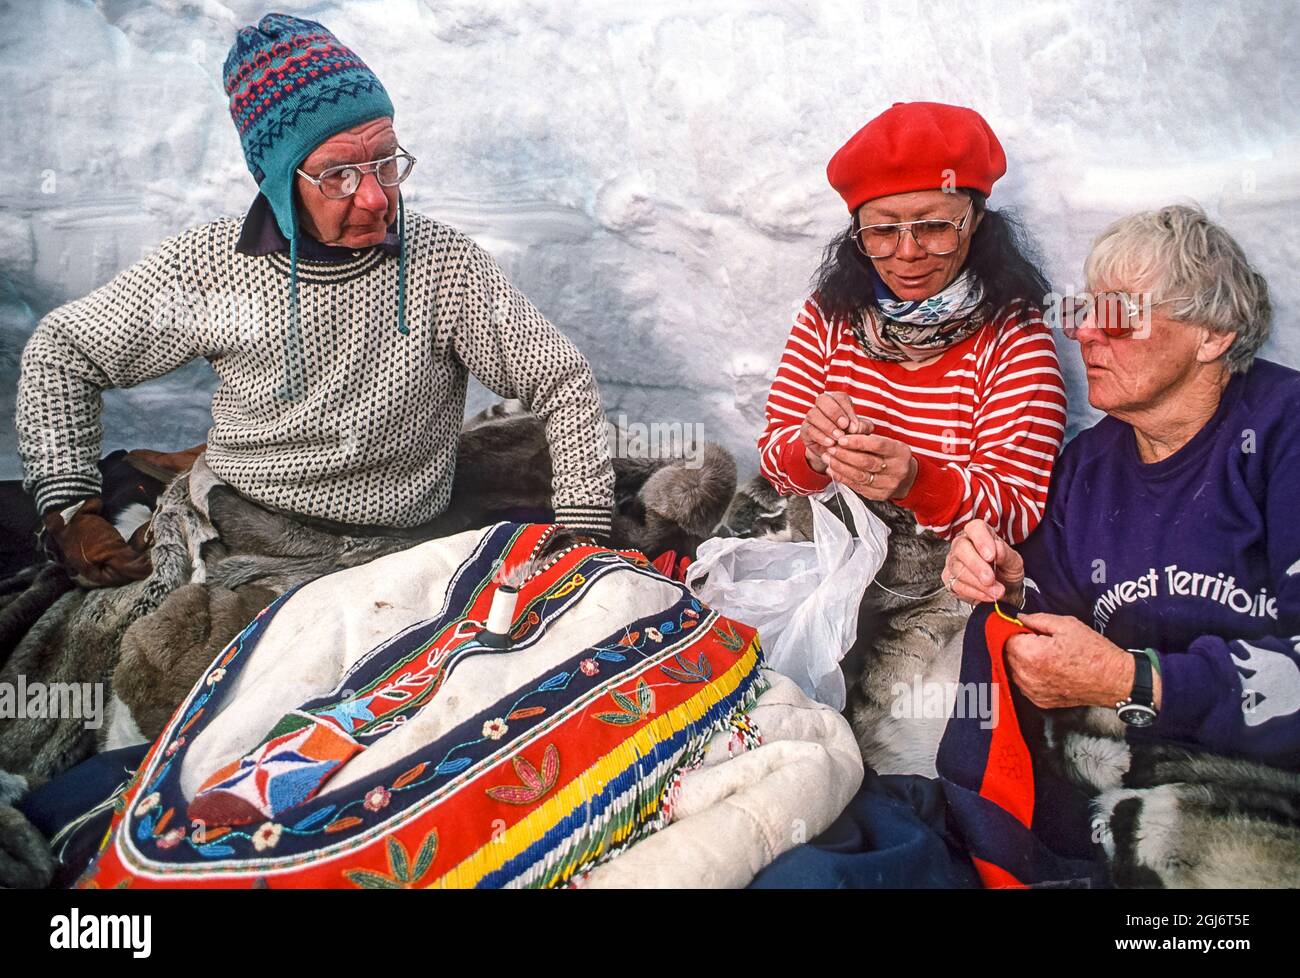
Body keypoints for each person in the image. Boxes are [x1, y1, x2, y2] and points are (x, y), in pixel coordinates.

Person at [16, 13, 615, 591]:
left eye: (386, 162)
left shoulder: (443, 266)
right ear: (279, 180)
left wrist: (584, 537)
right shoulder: (210, 267)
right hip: (246, 537)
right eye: (339, 176)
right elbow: (62, 352)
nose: (378, 198)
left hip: (405, 543)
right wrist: (70, 508)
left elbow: (560, 379)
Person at [756, 102, 1067, 769]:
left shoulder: (1014, 337)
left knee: (910, 759)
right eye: (882, 230)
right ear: (856, 231)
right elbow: (777, 464)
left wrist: (918, 482)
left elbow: (1018, 505)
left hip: (940, 586)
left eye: (934, 227)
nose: (906, 253)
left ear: (976, 221)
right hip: (824, 557)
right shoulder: (830, 316)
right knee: (758, 719)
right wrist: (811, 451)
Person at [944, 203, 1299, 768]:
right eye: (1081, 309)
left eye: (1115, 314)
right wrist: (1010, 587)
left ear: (1212, 336)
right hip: (1120, 773)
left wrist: (1134, 682)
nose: (1084, 332)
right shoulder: (1089, 465)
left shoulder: (1286, 434)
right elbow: (1048, 622)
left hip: (1260, 787)